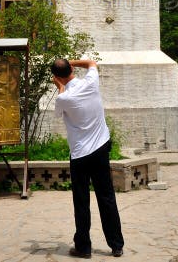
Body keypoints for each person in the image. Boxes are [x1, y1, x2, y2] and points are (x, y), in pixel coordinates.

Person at [51, 58, 124, 258]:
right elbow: (92, 63)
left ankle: (83, 247)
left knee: (81, 200)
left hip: (80, 153)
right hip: (101, 148)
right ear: (72, 69)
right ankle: (116, 245)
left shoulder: (63, 98)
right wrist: (71, 61)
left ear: (57, 77)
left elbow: (58, 115)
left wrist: (60, 87)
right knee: (106, 196)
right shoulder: (91, 82)